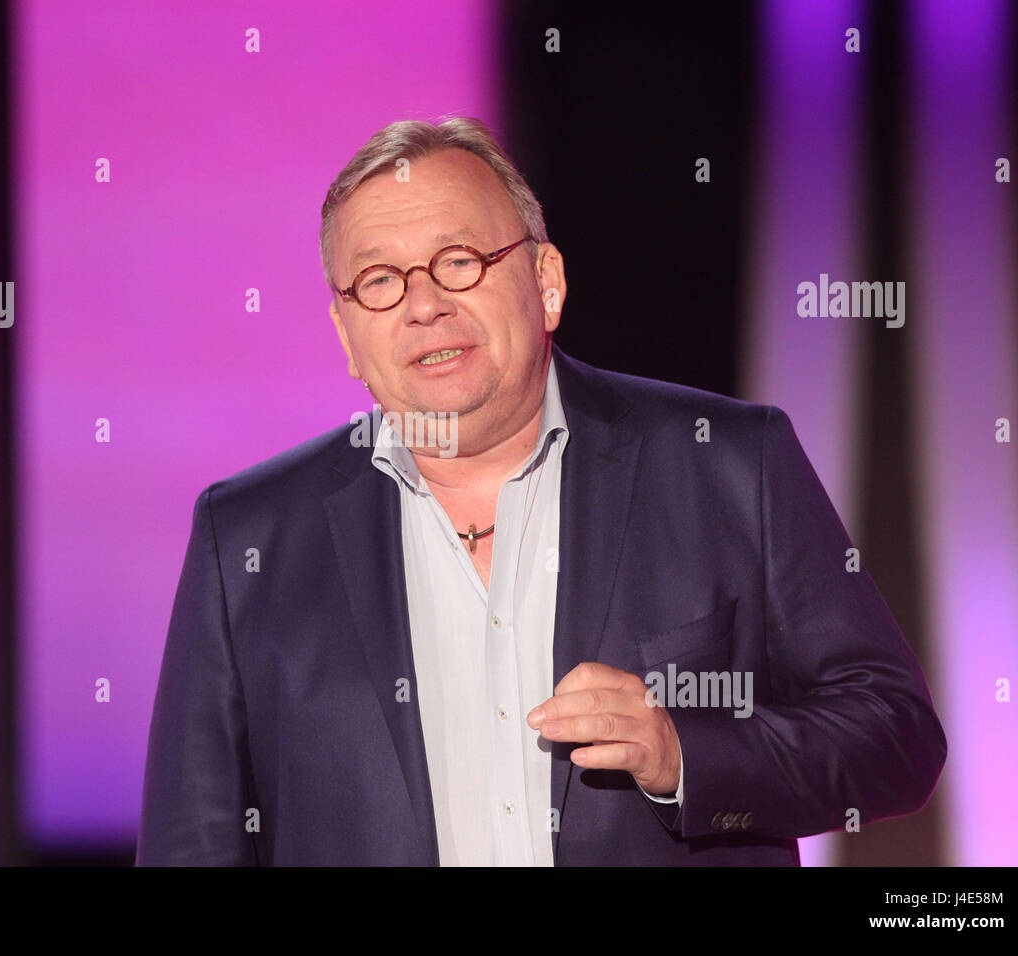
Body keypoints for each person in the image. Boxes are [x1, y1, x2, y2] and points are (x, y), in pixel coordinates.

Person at [136, 117, 946, 866]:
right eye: (379, 280)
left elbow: (896, 741)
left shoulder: (727, 464)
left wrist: (683, 754)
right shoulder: (246, 538)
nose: (424, 304)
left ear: (546, 281)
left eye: (458, 262)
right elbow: (192, 845)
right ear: (348, 335)